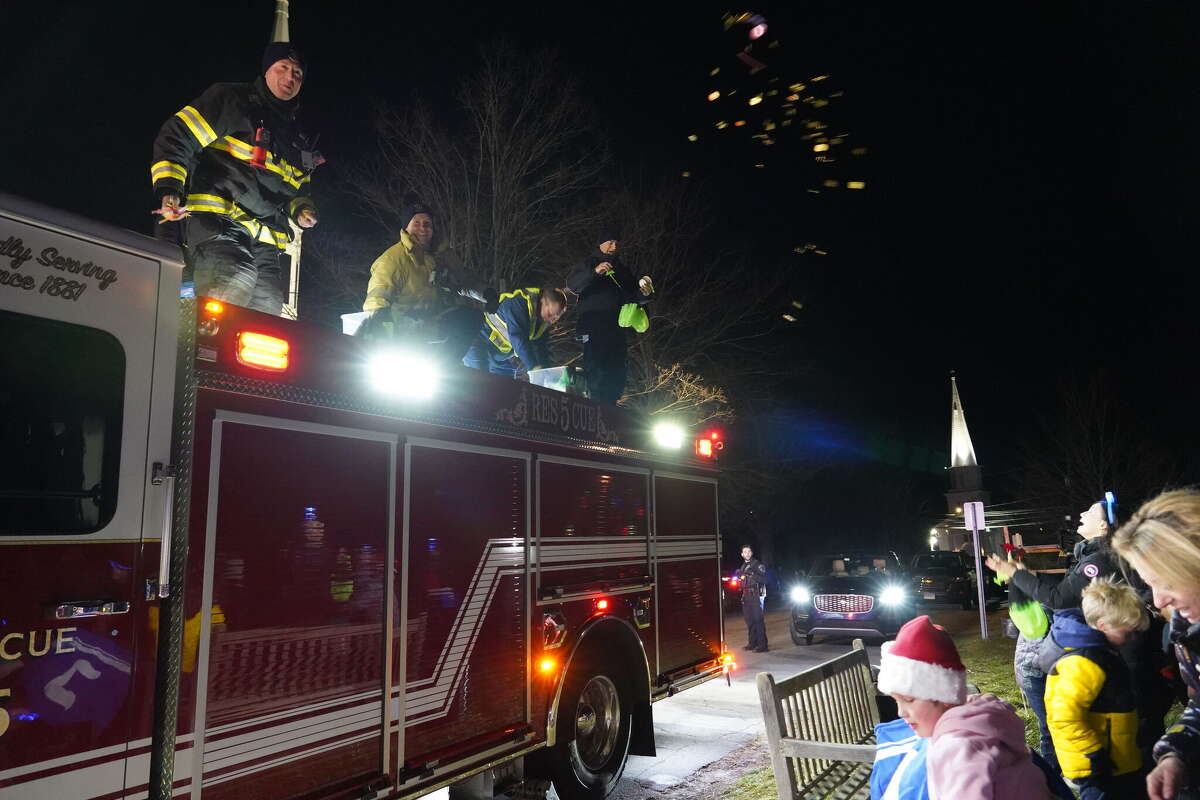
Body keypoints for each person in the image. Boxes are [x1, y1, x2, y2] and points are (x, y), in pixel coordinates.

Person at [987, 498, 1166, 763]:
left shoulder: (1100, 559)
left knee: (1132, 737)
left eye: (1090, 511)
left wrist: (1015, 575)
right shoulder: (1101, 555)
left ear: (1104, 525)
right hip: (1124, 655)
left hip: (1124, 657)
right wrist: (1028, 575)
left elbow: (1059, 598)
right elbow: (1069, 586)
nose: (1082, 513)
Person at [151, 39, 321, 313]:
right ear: (266, 69)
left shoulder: (297, 137)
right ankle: (195, 350)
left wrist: (301, 207)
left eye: (298, 73)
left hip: (264, 242)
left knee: (266, 315)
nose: (290, 76)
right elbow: (177, 136)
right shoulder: (232, 101)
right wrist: (169, 186)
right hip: (218, 223)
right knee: (233, 280)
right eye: (283, 67)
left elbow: (297, 188)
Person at [877, 615, 1055, 800]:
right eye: (896, 701)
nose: (900, 712)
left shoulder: (958, 747)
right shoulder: (980, 720)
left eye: (909, 699)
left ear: (943, 695)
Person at [1111, 489, 1200, 800]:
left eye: (1168, 581)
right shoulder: (1187, 632)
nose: (1159, 600)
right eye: (1150, 584)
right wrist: (1176, 754)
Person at [1040, 579, 1147, 799]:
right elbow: (1063, 717)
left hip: (1118, 761)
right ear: (1103, 626)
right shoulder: (1083, 661)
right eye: (1128, 632)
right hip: (1099, 769)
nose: (1132, 638)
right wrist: (1094, 753)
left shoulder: (1103, 651)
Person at [360, 201, 492, 362]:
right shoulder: (392, 260)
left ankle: (444, 367)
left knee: (469, 318)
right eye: (416, 223)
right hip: (402, 325)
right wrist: (383, 328)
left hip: (431, 321)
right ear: (406, 227)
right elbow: (377, 300)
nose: (423, 228)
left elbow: (462, 280)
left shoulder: (443, 255)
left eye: (427, 224)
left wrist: (486, 293)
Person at [565, 230, 647, 405]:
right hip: (593, 328)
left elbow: (632, 298)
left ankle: (611, 407)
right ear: (601, 243)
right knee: (595, 371)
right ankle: (595, 406)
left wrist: (644, 295)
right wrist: (594, 272)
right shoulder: (589, 263)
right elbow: (572, 285)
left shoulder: (623, 270)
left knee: (617, 372)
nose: (614, 246)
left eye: (617, 242)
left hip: (617, 330)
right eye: (610, 241)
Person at [462, 287, 566, 378]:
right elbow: (518, 338)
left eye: (556, 317)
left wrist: (546, 371)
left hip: (497, 358)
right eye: (550, 313)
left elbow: (541, 349)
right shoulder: (518, 303)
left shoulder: (542, 322)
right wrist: (533, 367)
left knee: (506, 390)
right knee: (480, 384)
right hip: (477, 342)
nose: (552, 320)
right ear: (543, 301)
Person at [735, 545, 768, 652]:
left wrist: (752, 574)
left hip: (756, 595)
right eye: (745, 552)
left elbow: (765, 580)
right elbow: (742, 580)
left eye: (749, 551)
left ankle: (763, 646)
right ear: (742, 554)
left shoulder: (757, 564)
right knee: (750, 621)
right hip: (746, 596)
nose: (747, 553)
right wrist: (738, 575)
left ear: (751, 553)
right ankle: (752, 643)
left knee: (758, 620)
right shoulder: (743, 566)